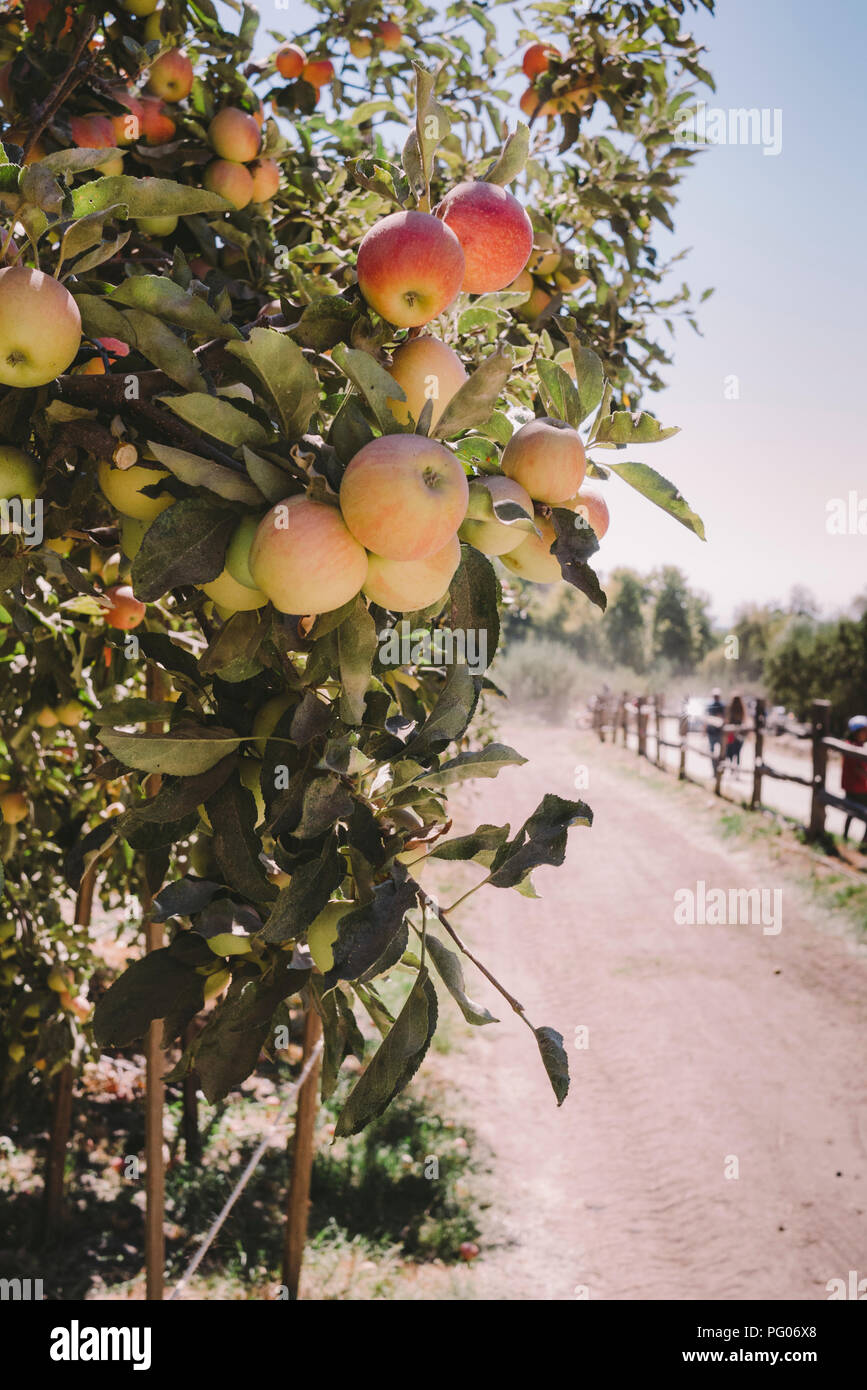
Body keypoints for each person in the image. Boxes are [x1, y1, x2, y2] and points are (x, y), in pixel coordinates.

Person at [841, 715, 867, 846]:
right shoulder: (854, 747)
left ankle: (845, 837)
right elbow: (858, 769)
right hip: (858, 787)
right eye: (864, 730)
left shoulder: (852, 745)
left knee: (850, 812)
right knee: (855, 811)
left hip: (853, 786)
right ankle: (863, 843)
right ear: (856, 732)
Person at [724, 692, 746, 766]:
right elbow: (744, 720)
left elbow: (727, 720)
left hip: (731, 733)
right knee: (737, 750)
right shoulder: (742, 709)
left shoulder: (730, 708)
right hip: (739, 732)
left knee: (730, 748)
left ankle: (731, 764)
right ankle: (736, 765)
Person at [706, 687, 725, 758]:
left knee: (718, 749)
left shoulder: (722, 706)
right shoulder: (721, 706)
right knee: (715, 748)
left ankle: (716, 762)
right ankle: (715, 762)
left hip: (718, 731)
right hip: (713, 731)